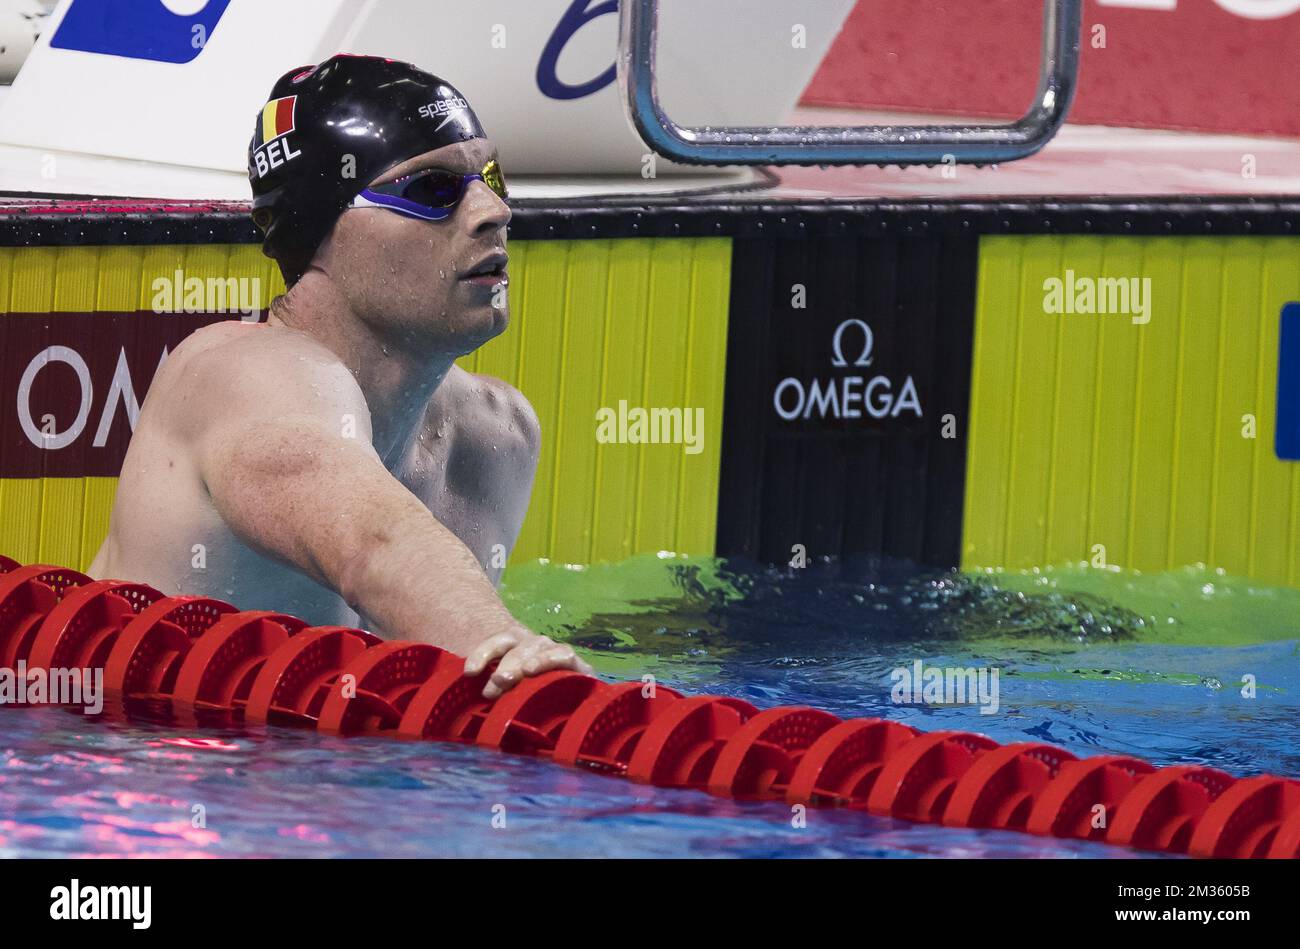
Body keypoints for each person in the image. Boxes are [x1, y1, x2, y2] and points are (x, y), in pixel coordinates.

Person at [88, 54, 592, 699]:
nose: (493, 210)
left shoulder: (495, 435)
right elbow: (371, 544)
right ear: (318, 233)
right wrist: (510, 647)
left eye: (489, 177)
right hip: (147, 768)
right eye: (431, 190)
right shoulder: (239, 372)